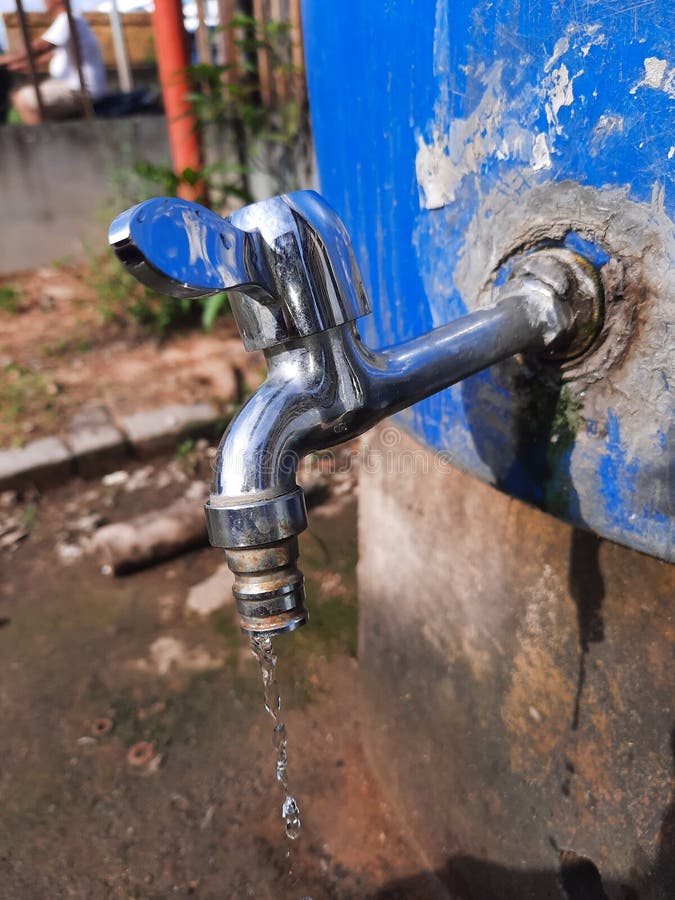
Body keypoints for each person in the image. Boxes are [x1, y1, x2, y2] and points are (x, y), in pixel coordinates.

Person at [0, 0, 106, 124]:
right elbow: (44, 57)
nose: (43, 3)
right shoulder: (71, 21)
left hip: (78, 89)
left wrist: (5, 60)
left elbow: (40, 47)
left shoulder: (68, 19)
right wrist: (13, 65)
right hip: (75, 87)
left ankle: (38, 136)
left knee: (23, 99)